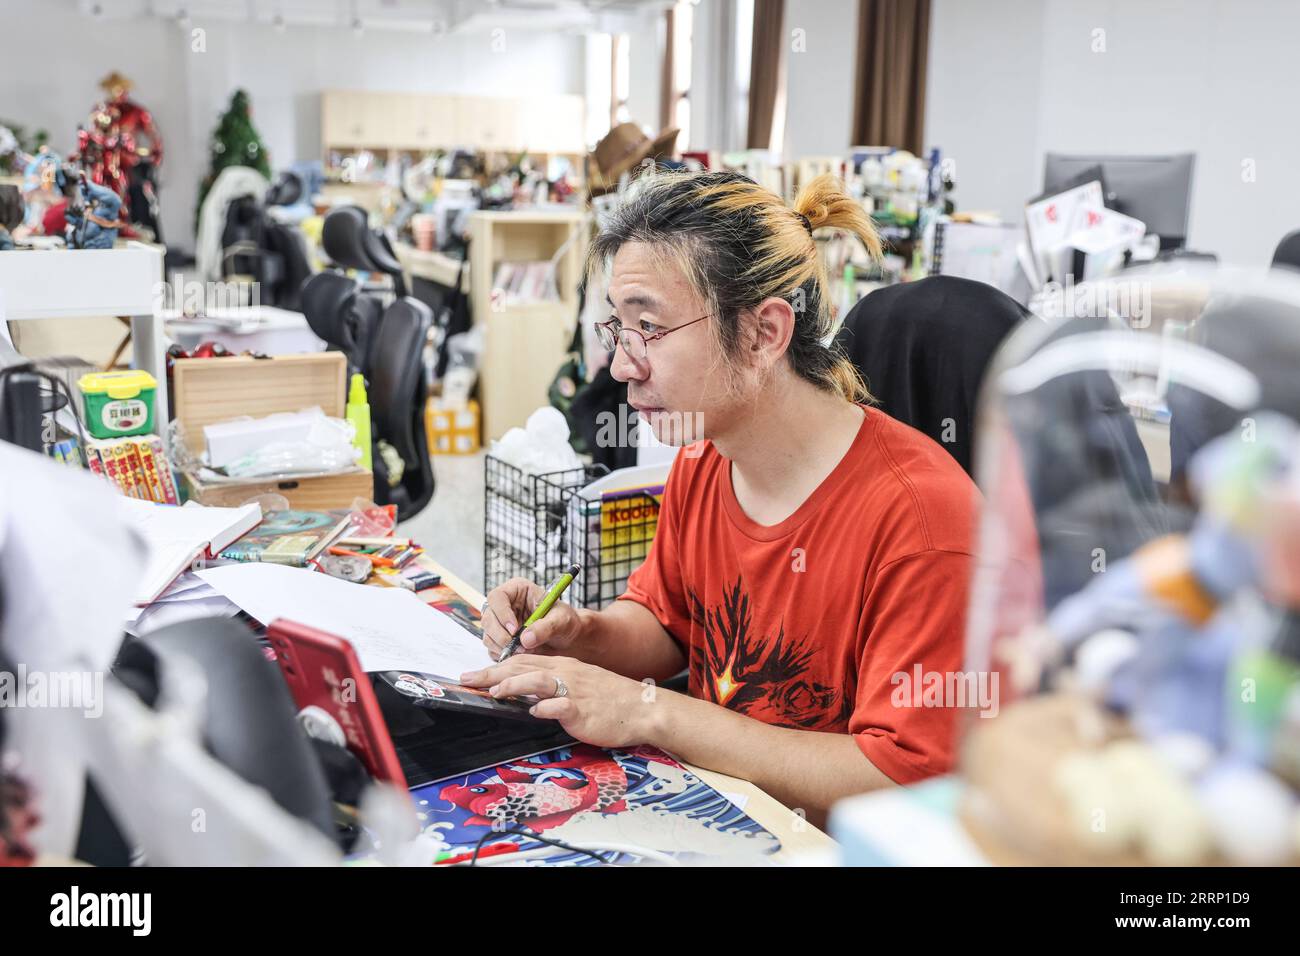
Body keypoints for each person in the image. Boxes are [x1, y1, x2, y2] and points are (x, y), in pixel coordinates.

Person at [461, 170, 980, 821]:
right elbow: (667, 625)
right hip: (716, 812)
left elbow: (903, 780)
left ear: (764, 333)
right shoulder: (703, 458)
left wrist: (650, 711)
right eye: (617, 331)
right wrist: (581, 633)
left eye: (648, 327)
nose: (622, 366)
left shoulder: (923, 521)